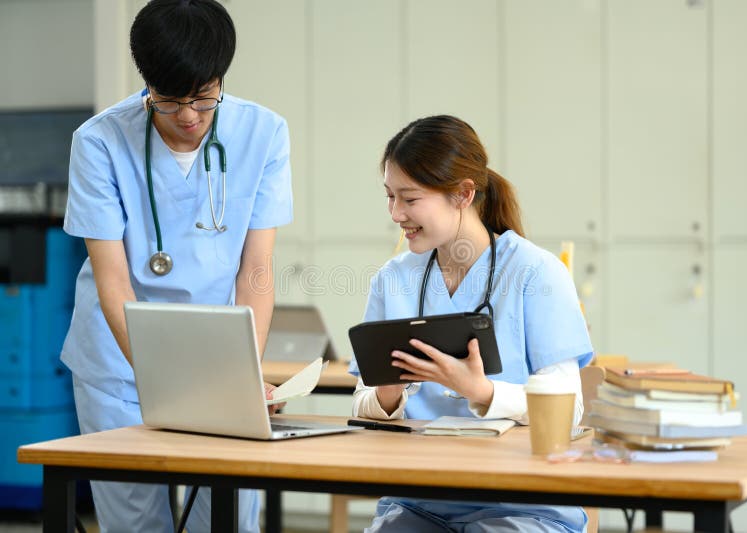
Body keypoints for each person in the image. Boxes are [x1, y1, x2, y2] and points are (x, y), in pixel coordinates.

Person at [61, 1, 292, 531]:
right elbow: (112, 278)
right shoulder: (98, 141)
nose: (188, 116)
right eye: (168, 101)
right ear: (146, 84)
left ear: (221, 79)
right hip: (120, 367)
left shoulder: (264, 133)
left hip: (219, 360)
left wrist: (236, 376)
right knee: (138, 524)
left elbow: (256, 268)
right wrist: (164, 376)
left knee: (229, 517)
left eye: (203, 98)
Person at [349, 115, 594, 532]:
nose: (396, 213)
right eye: (390, 197)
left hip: (522, 503)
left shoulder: (536, 274)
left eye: (409, 199)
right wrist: (387, 394)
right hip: (418, 501)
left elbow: (570, 411)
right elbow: (362, 401)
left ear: (463, 194)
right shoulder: (393, 279)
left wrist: (480, 391)